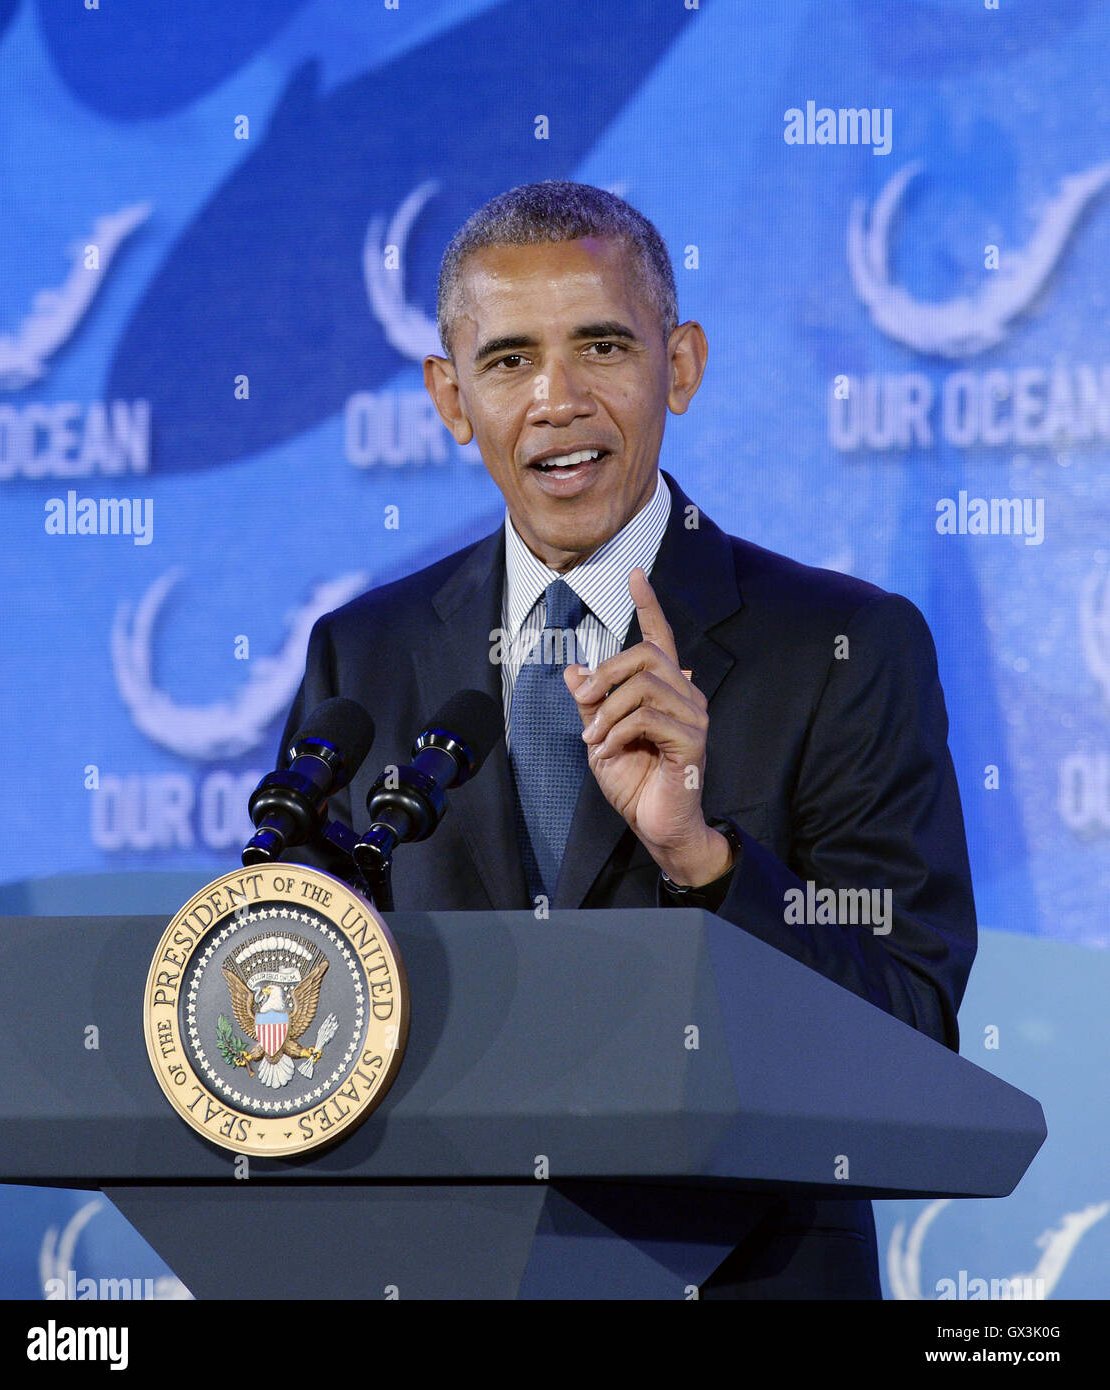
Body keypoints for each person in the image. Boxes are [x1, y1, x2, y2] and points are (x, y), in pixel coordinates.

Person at [278, 180, 977, 1299]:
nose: (556, 400)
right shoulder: (361, 657)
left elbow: (909, 1033)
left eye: (600, 345)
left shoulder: (845, 646)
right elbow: (300, 1006)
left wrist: (704, 863)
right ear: (450, 398)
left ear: (680, 365)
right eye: (507, 361)